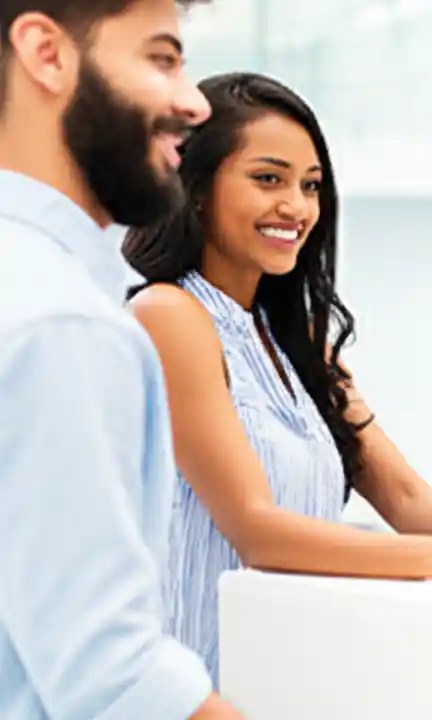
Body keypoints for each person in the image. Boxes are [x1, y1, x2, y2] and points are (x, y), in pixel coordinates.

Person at [122, 72, 432, 677]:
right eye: (268, 179)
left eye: (310, 186)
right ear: (197, 190)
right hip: (189, 687)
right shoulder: (169, 315)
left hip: (289, 684)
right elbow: (258, 530)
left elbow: (407, 499)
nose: (297, 206)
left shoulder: (301, 342)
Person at [0, 1, 243, 718]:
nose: (193, 101)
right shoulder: (63, 322)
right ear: (46, 54)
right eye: (161, 59)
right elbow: (114, 678)